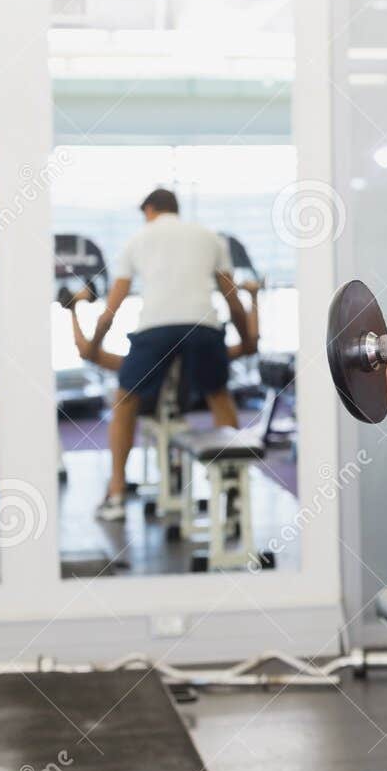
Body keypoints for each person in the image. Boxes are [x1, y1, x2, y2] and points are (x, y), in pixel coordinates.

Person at [89, 188, 252, 522]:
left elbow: (112, 309)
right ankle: (234, 491)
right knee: (218, 395)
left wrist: (93, 345)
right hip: (202, 326)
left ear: (150, 210)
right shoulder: (210, 237)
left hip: (155, 328)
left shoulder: (137, 240)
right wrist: (248, 340)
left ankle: (116, 494)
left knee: (125, 401)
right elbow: (233, 301)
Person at [62, 278, 260, 371]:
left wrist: (72, 310)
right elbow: (251, 344)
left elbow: (86, 352)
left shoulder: (144, 364)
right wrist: (253, 296)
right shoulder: (145, 363)